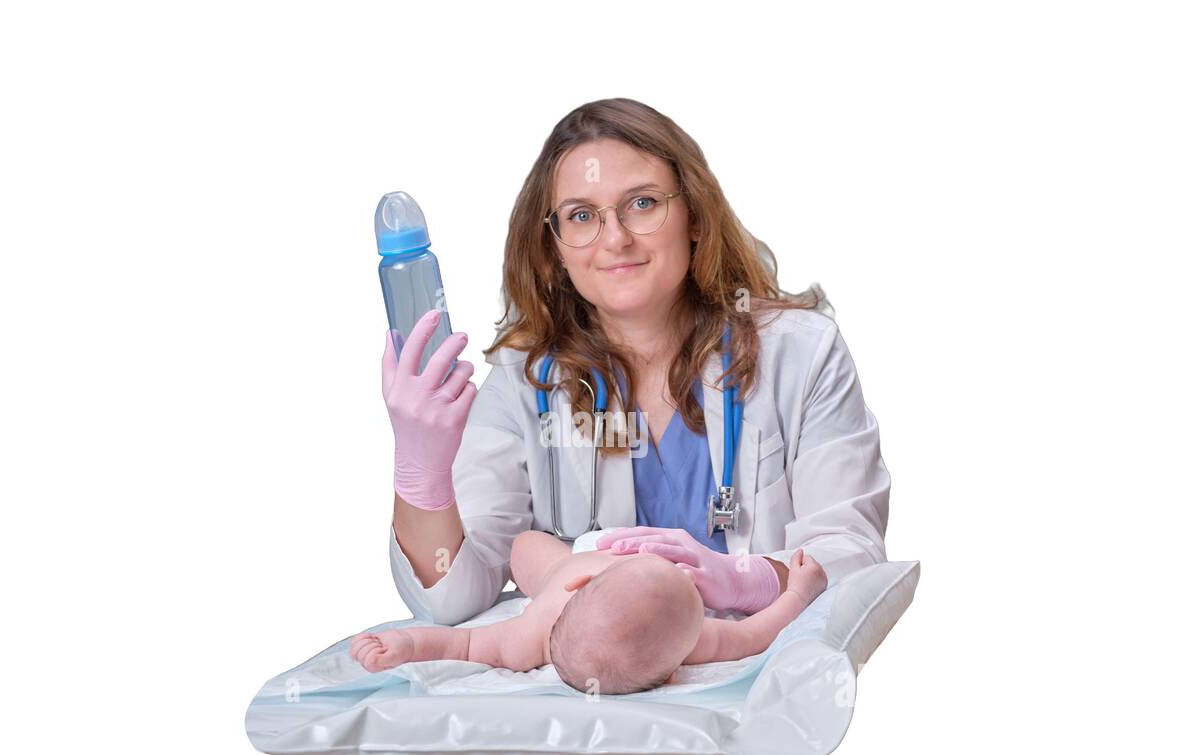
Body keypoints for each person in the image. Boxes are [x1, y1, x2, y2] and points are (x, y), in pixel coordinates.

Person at [382, 97, 890, 626]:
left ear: (694, 215)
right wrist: (422, 472)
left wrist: (745, 579)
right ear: (555, 246)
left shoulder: (801, 353)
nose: (616, 239)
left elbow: (852, 554)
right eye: (582, 216)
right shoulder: (524, 382)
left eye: (643, 204)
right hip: (594, 695)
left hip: (759, 681)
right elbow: (448, 597)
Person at [350, 530, 828, 695]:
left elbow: (468, 645)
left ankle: (555, 562)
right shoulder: (689, 638)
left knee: (525, 548)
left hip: (573, 558)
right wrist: (798, 595)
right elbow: (756, 635)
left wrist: (407, 644)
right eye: (692, 593)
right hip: (636, 538)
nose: (688, 580)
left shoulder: (535, 627)